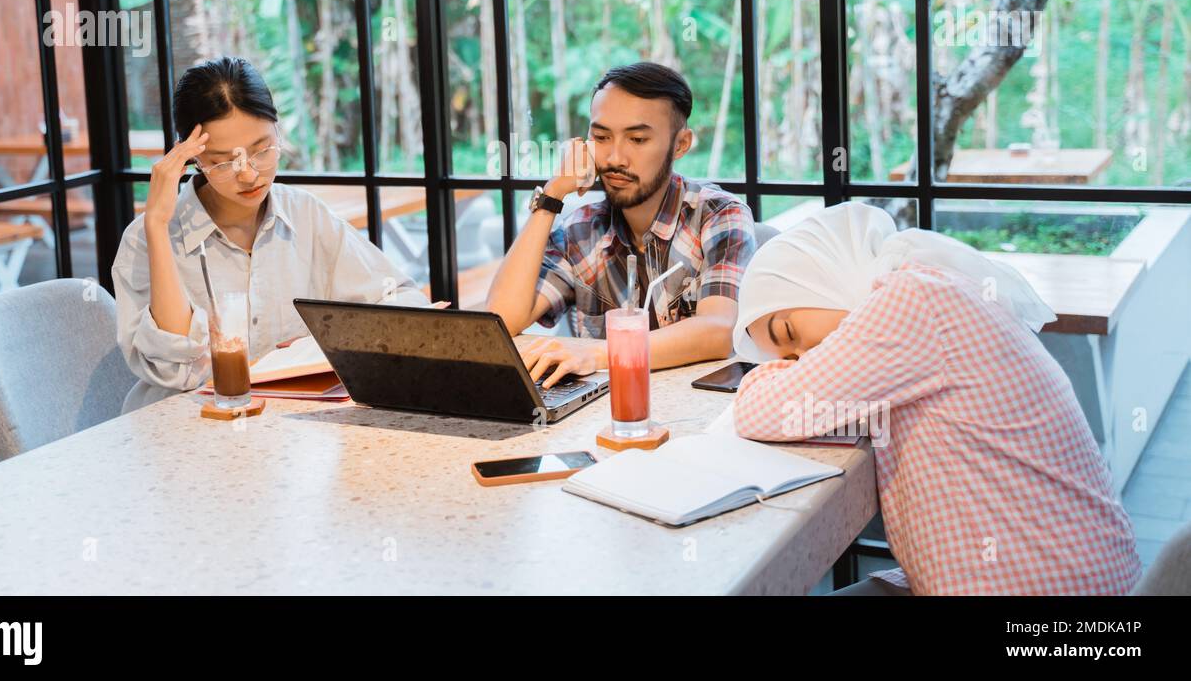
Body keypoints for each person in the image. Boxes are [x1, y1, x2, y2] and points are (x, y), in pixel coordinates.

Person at [729, 202, 1142, 595]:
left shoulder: (911, 302)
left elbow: (761, 410)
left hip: (1039, 583)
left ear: (821, 277)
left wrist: (781, 376)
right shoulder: (929, 284)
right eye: (786, 357)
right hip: (1059, 567)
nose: (801, 358)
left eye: (788, 335)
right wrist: (798, 371)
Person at [112, 56, 428, 413]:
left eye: (262, 150)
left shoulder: (306, 216)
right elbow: (174, 372)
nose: (249, 175)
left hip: (285, 435)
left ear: (278, 130)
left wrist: (330, 343)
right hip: (180, 436)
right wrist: (156, 224)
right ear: (190, 157)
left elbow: (402, 303)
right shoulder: (146, 239)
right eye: (224, 161)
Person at [486, 62, 757, 388]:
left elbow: (716, 331)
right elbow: (502, 321)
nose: (615, 158)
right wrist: (552, 195)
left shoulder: (718, 215)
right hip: (600, 419)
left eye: (638, 139)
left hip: (697, 418)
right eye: (601, 137)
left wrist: (598, 354)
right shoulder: (581, 232)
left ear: (681, 144)